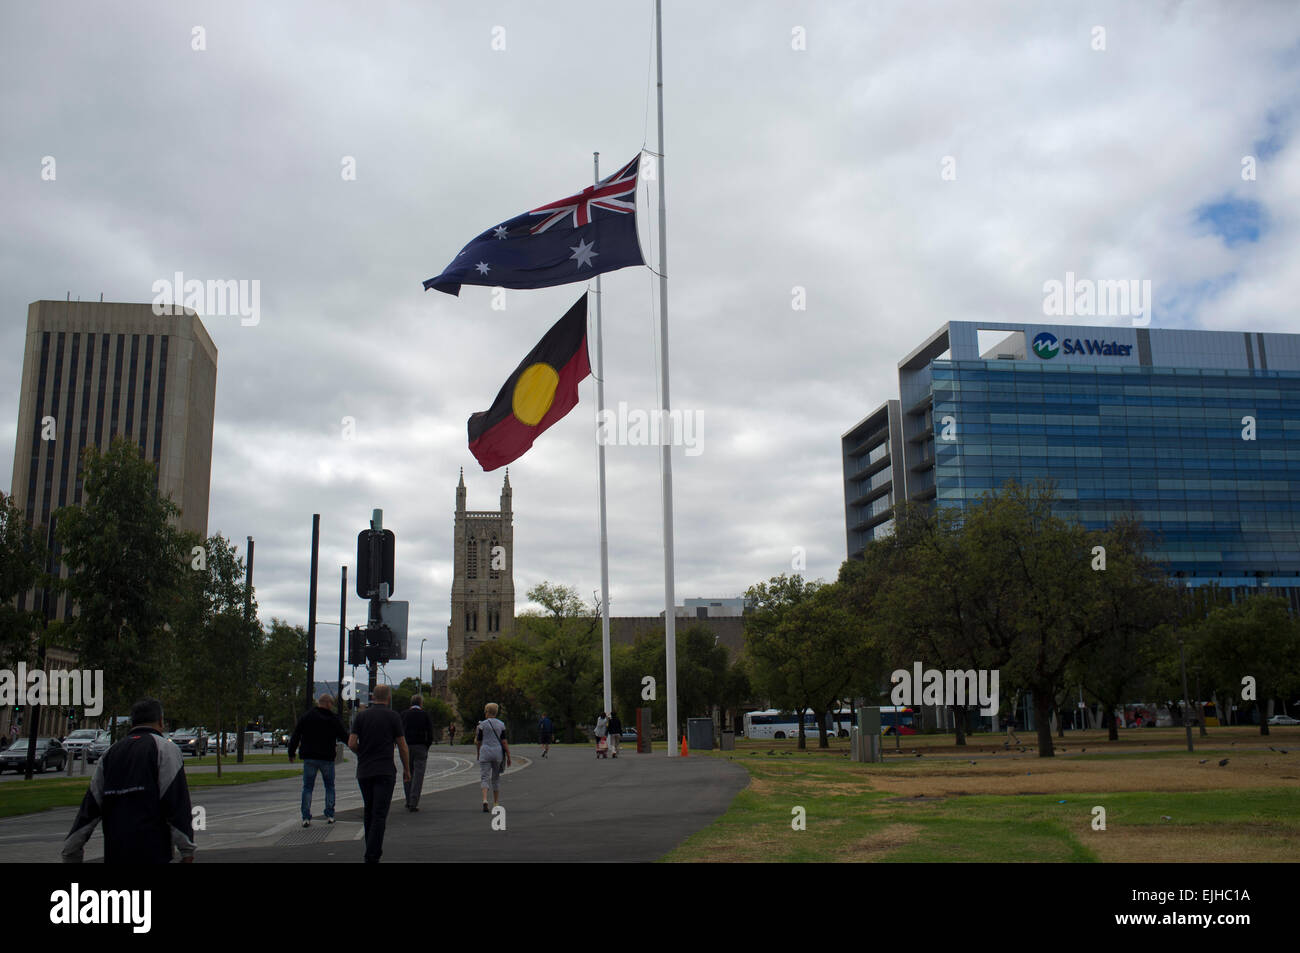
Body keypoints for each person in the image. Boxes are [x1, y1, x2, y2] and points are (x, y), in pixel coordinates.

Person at [62, 698, 196, 864]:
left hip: (115, 851)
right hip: (154, 852)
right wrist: (186, 849)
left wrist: (71, 850)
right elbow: (176, 801)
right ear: (161, 721)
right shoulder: (165, 749)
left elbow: (91, 806)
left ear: (132, 722)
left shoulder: (110, 753)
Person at [348, 684, 411, 863]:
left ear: (373, 697)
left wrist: (363, 752)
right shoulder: (393, 716)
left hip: (365, 769)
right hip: (385, 770)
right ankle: (373, 854)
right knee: (380, 813)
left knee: (369, 811)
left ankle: (371, 847)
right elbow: (402, 746)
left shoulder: (361, 716)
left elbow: (351, 743)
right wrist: (407, 769)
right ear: (388, 697)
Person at [288, 693, 348, 827]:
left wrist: (291, 752)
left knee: (308, 787)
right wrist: (356, 747)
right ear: (327, 704)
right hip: (326, 757)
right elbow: (344, 736)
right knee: (329, 786)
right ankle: (330, 813)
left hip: (309, 757)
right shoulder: (333, 719)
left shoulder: (307, 716)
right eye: (331, 704)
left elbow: (296, 734)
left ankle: (306, 816)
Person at [401, 694, 434, 811]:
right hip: (420, 746)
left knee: (407, 771)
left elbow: (399, 731)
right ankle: (413, 802)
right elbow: (430, 733)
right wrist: (427, 745)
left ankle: (408, 799)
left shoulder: (404, 714)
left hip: (405, 746)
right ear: (421, 703)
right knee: (418, 775)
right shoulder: (425, 715)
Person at [475, 703, 511, 812]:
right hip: (497, 753)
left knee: (484, 777)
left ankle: (485, 800)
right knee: (496, 778)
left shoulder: (482, 725)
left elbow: (479, 741)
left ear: (487, 711)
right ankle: (496, 802)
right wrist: (508, 755)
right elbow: (504, 741)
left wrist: (478, 753)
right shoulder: (501, 724)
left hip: (485, 752)